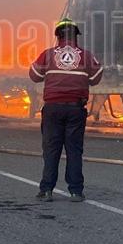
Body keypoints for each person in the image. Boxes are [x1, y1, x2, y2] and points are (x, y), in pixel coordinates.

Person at [29, 18, 103, 202]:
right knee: (74, 150)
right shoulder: (86, 56)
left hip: (53, 109)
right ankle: (76, 192)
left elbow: (34, 76)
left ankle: (46, 190)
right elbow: (96, 77)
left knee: (51, 150)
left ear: (58, 36)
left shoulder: (48, 54)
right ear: (76, 36)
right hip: (75, 109)